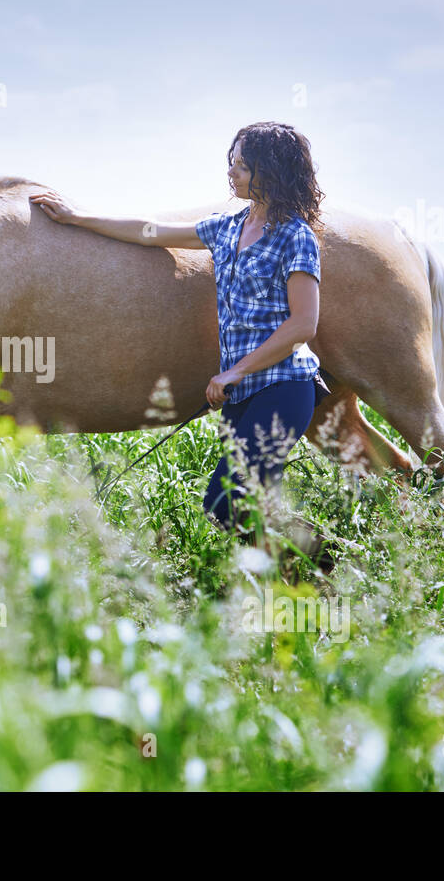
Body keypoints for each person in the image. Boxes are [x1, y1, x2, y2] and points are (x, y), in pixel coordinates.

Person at [29, 121, 329, 559]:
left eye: (243, 166)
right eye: (233, 162)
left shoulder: (296, 237)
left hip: (284, 389)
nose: (232, 173)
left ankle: (326, 566)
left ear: (272, 171)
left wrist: (234, 370)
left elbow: (304, 324)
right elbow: (150, 231)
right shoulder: (227, 228)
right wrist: (77, 218)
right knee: (244, 507)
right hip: (242, 394)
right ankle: (307, 580)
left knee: (224, 504)